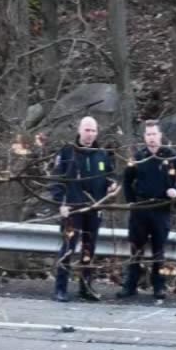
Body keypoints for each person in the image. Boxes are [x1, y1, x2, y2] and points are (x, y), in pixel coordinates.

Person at [118, 120, 176, 305]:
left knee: (158, 251)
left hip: (161, 210)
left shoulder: (171, 156)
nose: (151, 138)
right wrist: (131, 202)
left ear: (160, 135)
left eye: (154, 134)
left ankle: (158, 286)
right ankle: (130, 286)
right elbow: (126, 180)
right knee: (136, 250)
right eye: (148, 135)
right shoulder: (138, 157)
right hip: (140, 210)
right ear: (144, 137)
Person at [50, 117, 115, 303]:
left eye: (93, 131)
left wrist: (111, 185)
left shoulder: (101, 154)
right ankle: (60, 289)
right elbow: (56, 180)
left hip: (94, 210)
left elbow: (110, 176)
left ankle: (86, 287)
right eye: (87, 130)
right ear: (79, 130)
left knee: (89, 249)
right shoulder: (67, 152)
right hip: (72, 210)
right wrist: (61, 203)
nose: (90, 134)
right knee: (68, 249)